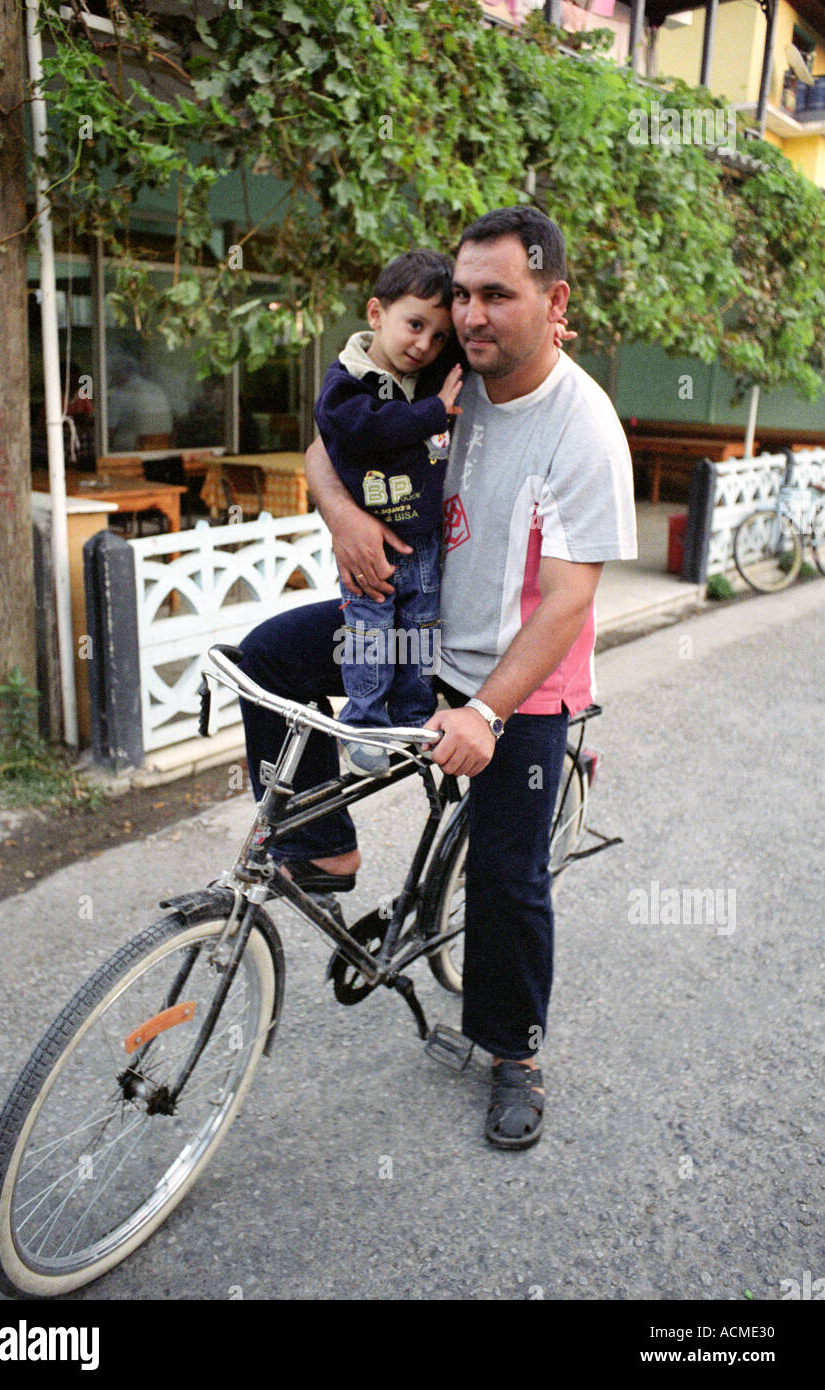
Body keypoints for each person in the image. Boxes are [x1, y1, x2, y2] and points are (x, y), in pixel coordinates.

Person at [235, 206, 637, 1150]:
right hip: (412, 638)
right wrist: (338, 515)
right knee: (267, 658)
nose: (471, 313)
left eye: (498, 294)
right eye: (461, 294)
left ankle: (513, 1051)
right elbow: (326, 443)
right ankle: (325, 843)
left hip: (515, 680)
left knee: (505, 878)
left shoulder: (583, 429)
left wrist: (488, 713)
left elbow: (568, 600)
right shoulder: (443, 375)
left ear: (554, 299)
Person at [314, 249, 463, 774]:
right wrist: (433, 413)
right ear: (377, 314)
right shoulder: (344, 384)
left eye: (439, 336)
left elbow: (486, 354)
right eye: (414, 325)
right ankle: (363, 727)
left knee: (421, 631)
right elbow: (370, 429)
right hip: (369, 546)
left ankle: (412, 719)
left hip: (423, 539)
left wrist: (545, 334)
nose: (424, 345)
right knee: (369, 634)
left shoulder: (427, 376)